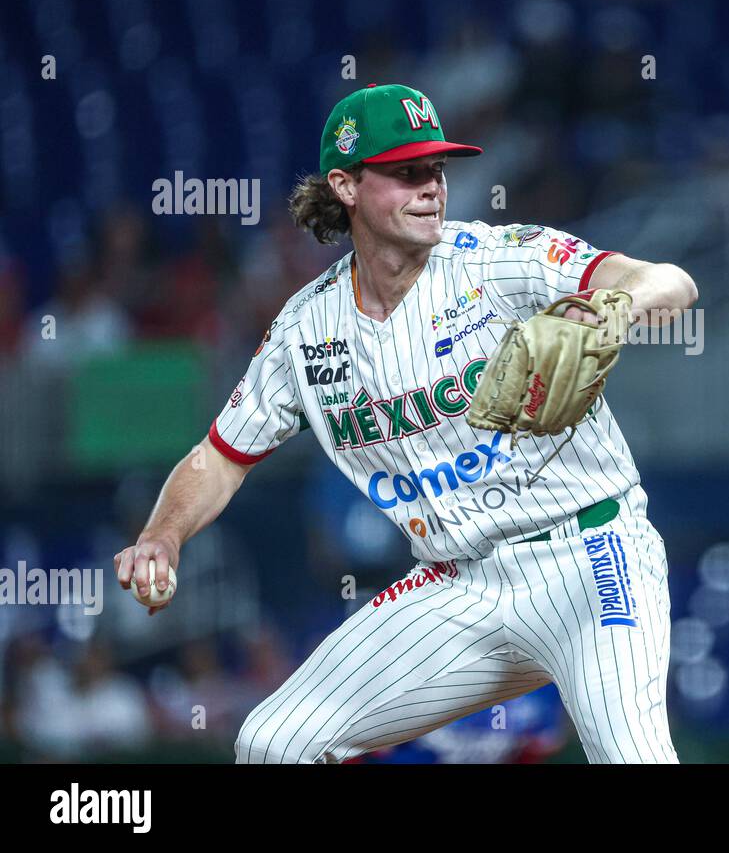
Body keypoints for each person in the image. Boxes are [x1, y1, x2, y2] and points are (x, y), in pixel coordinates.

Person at [114, 83, 697, 764]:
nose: (430, 188)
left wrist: (612, 310)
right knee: (273, 743)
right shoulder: (306, 331)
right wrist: (162, 535)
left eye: (437, 170)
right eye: (406, 171)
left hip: (591, 554)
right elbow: (219, 458)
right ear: (347, 186)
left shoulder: (496, 259)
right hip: (456, 583)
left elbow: (670, 281)